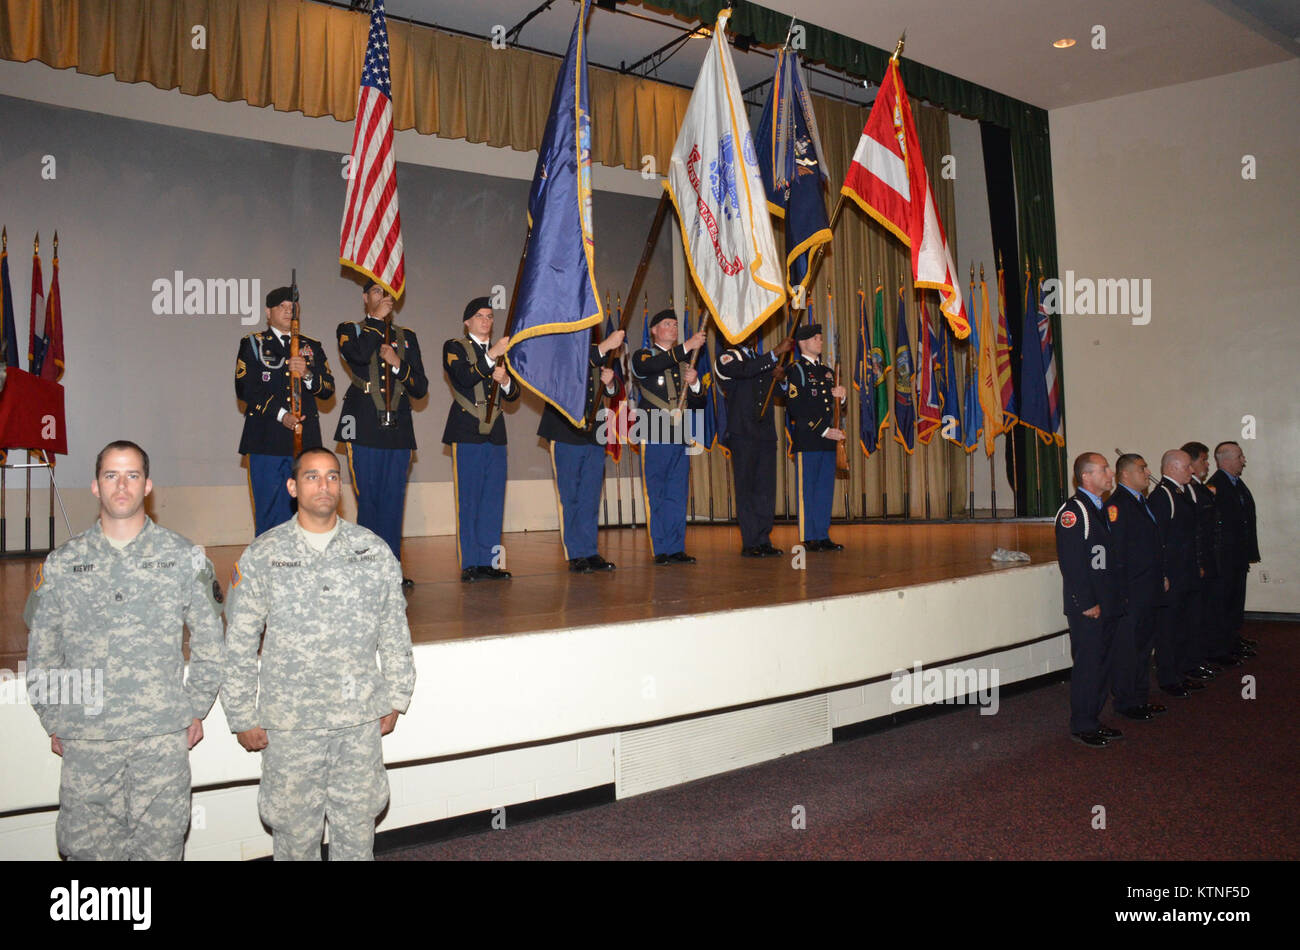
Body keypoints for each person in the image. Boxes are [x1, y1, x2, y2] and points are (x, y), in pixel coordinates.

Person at [23, 440, 225, 859]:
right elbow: (43, 650)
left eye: (132, 475)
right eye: (111, 475)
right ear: (96, 486)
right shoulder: (63, 564)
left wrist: (195, 707)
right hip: (88, 741)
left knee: (162, 849)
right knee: (87, 856)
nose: (121, 485)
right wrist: (54, 717)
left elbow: (210, 640)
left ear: (147, 485)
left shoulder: (184, 557)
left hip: (161, 739)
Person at [222, 447, 415, 861]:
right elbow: (238, 639)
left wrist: (397, 695)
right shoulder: (264, 554)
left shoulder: (373, 551)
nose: (323, 485)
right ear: (293, 487)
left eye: (331, 476)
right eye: (311, 477)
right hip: (291, 726)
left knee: (357, 831)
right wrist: (241, 713)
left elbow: (394, 629)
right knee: (294, 836)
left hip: (357, 721)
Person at [334, 279, 428, 590]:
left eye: (387, 293)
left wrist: (398, 363)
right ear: (365, 298)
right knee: (370, 500)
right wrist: (375, 321)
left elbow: (420, 388)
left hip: (398, 428)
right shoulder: (350, 329)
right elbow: (359, 357)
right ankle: (368, 570)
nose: (383, 297)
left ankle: (391, 569)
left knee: (393, 501)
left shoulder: (407, 337)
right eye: (376, 292)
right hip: (364, 427)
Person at [236, 286, 336, 536]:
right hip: (266, 441)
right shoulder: (253, 344)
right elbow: (246, 389)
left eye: (292, 308)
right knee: (270, 514)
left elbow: (327, 389)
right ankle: (270, 572)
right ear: (268, 312)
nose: (288, 312)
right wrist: (283, 415)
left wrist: (308, 373)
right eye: (282, 307)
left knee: (307, 512)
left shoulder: (311, 346)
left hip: (305, 444)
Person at [442, 296, 518, 582]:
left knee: (493, 500)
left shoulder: (502, 352)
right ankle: (471, 562)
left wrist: (506, 381)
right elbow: (462, 377)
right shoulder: (455, 347)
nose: (487, 321)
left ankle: (490, 562)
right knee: (470, 498)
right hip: (467, 430)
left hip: (495, 433)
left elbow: (514, 395)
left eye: (489, 316)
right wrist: (490, 357)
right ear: (467, 322)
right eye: (480, 316)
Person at [538, 328, 625, 573]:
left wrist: (609, 384)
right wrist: (605, 346)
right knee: (570, 496)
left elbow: (614, 390)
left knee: (590, 495)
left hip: (595, 431)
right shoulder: (557, 348)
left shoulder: (597, 352)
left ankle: (590, 550)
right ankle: (575, 553)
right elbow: (569, 369)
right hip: (565, 432)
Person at [1054, 452, 1125, 748]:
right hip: (1088, 607)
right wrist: (1085, 602)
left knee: (1102, 663)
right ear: (1086, 477)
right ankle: (1082, 723)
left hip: (1105, 602)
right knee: (1088, 665)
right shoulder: (1075, 512)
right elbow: (1072, 563)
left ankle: (1093, 718)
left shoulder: (1100, 508)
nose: (1110, 474)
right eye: (1104, 469)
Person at [631, 309, 706, 564]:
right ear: (654, 330)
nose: (673, 327)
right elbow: (650, 367)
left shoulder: (685, 362)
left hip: (679, 432)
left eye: (675, 324)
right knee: (657, 492)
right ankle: (661, 548)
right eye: (667, 323)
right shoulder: (643, 355)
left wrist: (695, 384)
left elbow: (699, 404)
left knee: (677, 493)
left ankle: (676, 547)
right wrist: (687, 346)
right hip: (654, 429)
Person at [714, 332, 794, 557]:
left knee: (765, 488)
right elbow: (744, 371)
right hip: (743, 433)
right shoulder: (727, 358)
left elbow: (777, 391)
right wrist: (775, 352)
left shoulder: (759, 358)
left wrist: (782, 379)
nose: (750, 334)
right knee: (747, 488)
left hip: (765, 432)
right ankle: (750, 542)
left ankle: (763, 539)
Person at [1104, 454, 1168, 722]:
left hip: (1148, 587)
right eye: (1142, 469)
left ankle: (1140, 697)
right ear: (1126, 474)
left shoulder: (1140, 502)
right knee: (1129, 649)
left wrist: (1160, 575)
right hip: (1132, 591)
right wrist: (1123, 593)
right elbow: (1117, 555)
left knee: (1143, 647)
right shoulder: (1118, 505)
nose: (1148, 472)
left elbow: (1151, 546)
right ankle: (1127, 701)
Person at [782, 323, 846, 552]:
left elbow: (830, 405)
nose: (820, 341)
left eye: (820, 337)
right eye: (816, 338)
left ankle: (822, 533)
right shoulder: (796, 370)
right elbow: (797, 408)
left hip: (827, 440)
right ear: (803, 342)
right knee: (807, 490)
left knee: (824, 490)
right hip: (809, 438)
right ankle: (808, 536)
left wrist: (842, 397)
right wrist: (824, 430)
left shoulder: (827, 371)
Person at [1149, 449, 1205, 698]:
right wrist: (1162, 574)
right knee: (1168, 629)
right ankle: (1169, 677)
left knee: (1184, 625)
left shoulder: (1182, 493)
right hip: (1173, 576)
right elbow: (1157, 540)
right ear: (1171, 468)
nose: (1192, 471)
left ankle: (1182, 670)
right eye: (1186, 467)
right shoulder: (1162, 496)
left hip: (1187, 573)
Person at [1207, 441, 1259, 664]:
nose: (1243, 460)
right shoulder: (1216, 485)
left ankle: (1231, 641)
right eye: (1240, 457)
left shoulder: (1236, 483)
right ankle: (1221, 648)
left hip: (1237, 556)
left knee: (1235, 603)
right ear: (1225, 460)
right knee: (1223, 605)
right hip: (1225, 559)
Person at [1178, 441, 1224, 679]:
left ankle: (1198, 658)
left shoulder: (1200, 489)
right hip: (1194, 564)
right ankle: (1190, 662)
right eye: (1203, 460)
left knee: (1202, 615)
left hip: (1205, 561)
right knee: (1191, 618)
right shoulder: (1182, 492)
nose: (1207, 465)